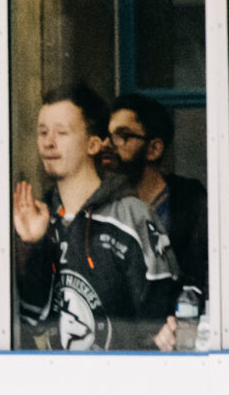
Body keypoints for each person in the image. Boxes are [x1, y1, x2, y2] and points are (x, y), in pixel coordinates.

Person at [14, 83, 179, 351]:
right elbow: (33, 323)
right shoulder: (37, 216)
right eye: (42, 132)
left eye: (61, 132)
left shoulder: (131, 216)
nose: (48, 141)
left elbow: (161, 326)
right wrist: (32, 245)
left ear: (93, 144)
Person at [109, 92, 209, 337]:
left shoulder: (190, 201)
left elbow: (201, 278)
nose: (110, 146)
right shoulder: (103, 207)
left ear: (154, 149)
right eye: (109, 136)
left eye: (122, 137)